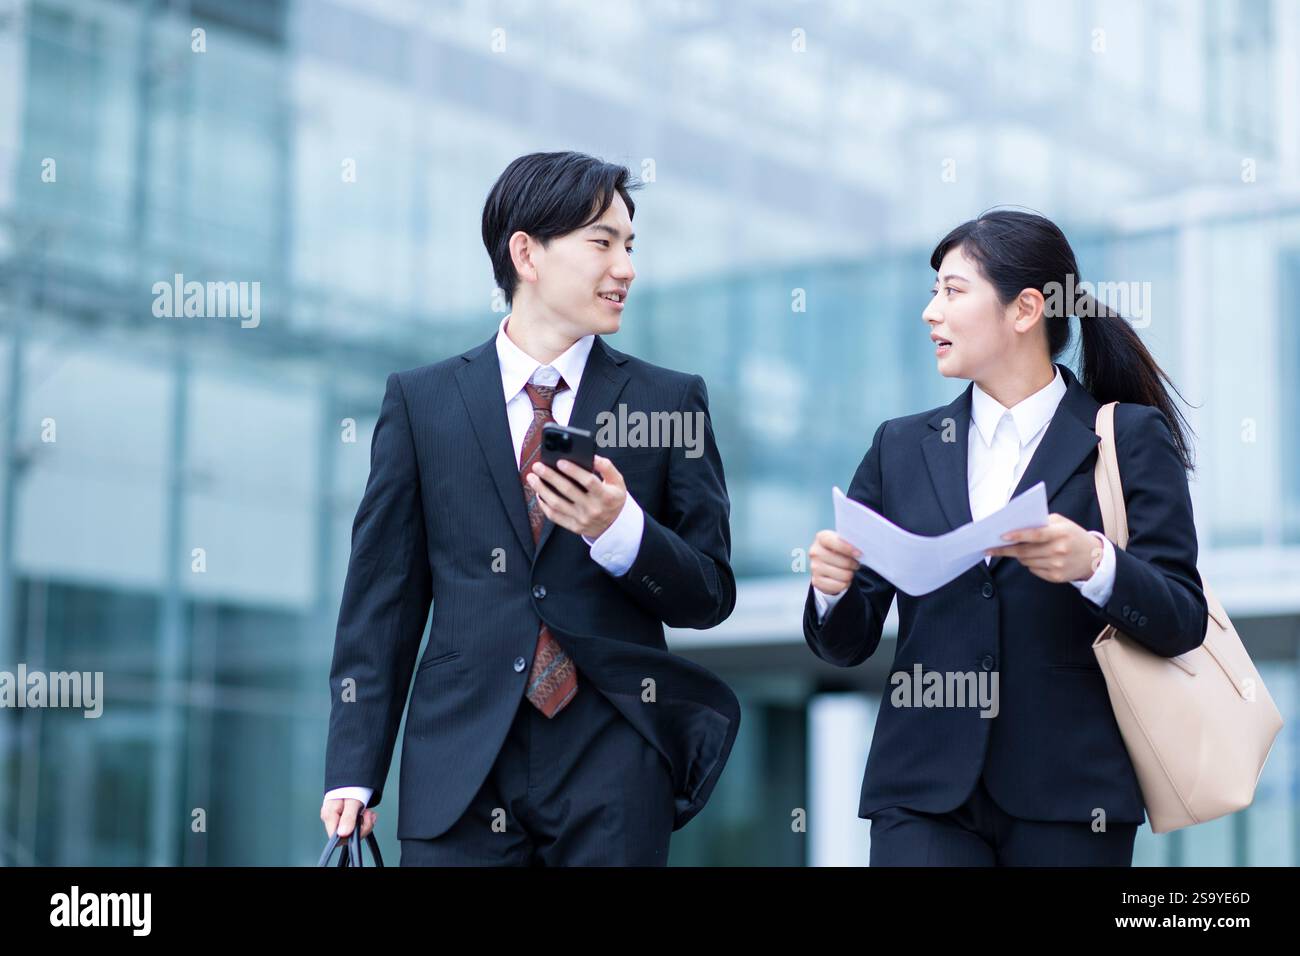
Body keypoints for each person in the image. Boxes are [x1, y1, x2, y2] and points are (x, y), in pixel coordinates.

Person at [320, 151, 740, 865]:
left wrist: (621, 530)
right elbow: (382, 599)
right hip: (458, 764)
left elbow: (709, 595)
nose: (626, 268)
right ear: (526, 253)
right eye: (603, 242)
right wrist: (354, 769)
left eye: (630, 246)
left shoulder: (670, 402)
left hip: (613, 762)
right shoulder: (423, 403)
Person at [805, 209, 1207, 866]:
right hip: (922, 793)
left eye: (953, 290)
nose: (931, 312)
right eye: (934, 291)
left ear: (1024, 310)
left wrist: (1094, 563)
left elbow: (1182, 618)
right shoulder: (899, 447)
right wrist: (831, 591)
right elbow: (845, 644)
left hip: (1071, 794)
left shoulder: (1127, 438)